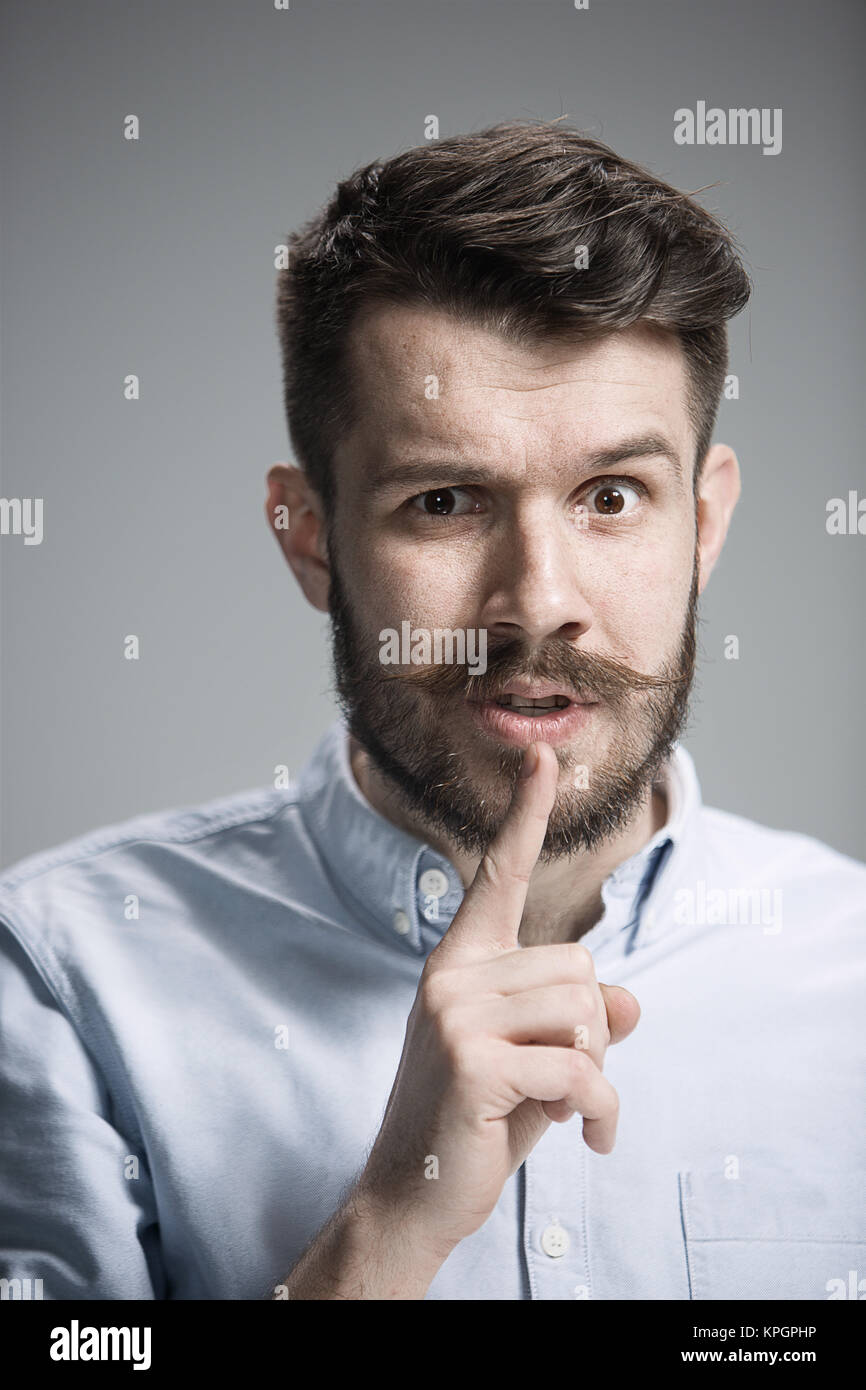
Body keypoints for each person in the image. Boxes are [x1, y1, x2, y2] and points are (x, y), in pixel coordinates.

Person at [0, 122, 863, 1302]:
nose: (538, 605)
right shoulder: (58, 976)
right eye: (446, 500)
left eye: (611, 496)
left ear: (702, 524)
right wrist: (387, 1229)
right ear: (309, 534)